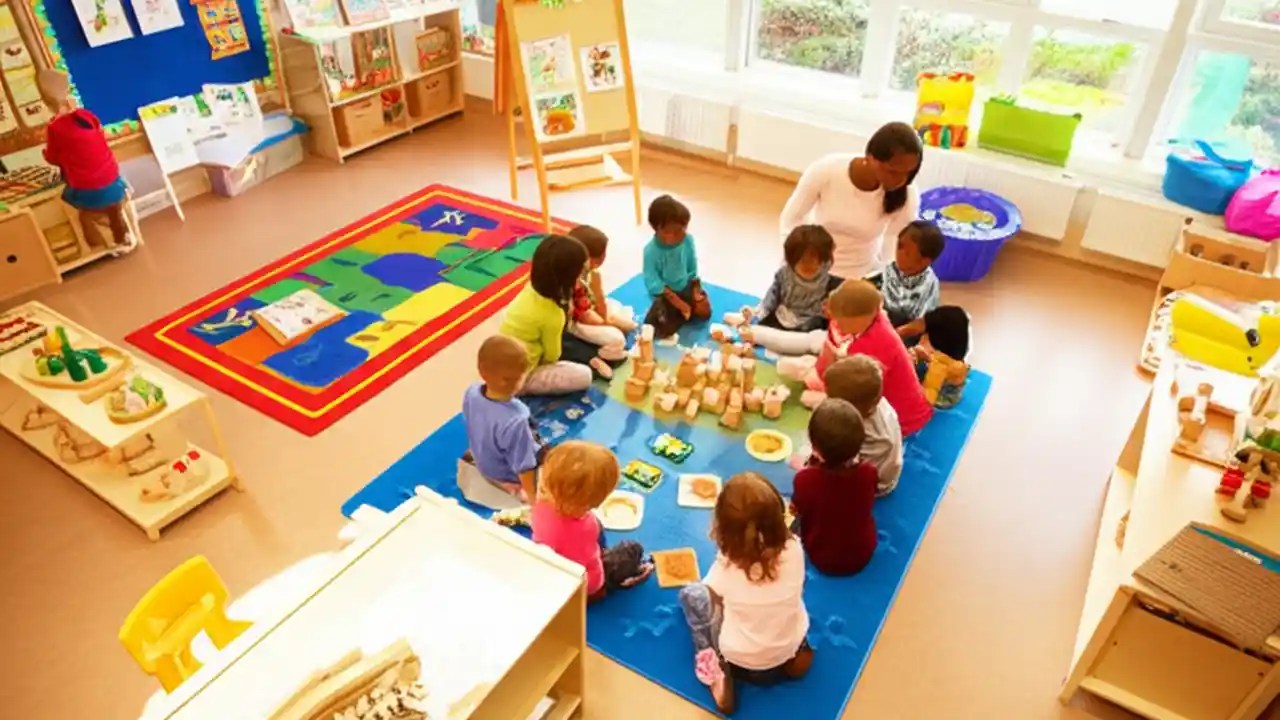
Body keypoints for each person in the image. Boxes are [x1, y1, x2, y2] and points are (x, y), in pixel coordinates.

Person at [678, 473, 813, 714]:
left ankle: (720, 673)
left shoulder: (726, 567)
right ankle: (794, 658)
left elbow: (713, 599)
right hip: (788, 645)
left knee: (691, 595)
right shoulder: (795, 548)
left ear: (723, 529)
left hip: (740, 658)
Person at [742, 279, 932, 435]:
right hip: (851, 380)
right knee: (792, 367)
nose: (838, 325)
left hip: (895, 415)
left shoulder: (879, 342)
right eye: (836, 320)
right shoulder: (847, 320)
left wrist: (825, 389)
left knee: (812, 402)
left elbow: (859, 394)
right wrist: (820, 372)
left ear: (868, 317)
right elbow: (829, 347)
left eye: (843, 323)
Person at [779, 122, 923, 280]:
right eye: (893, 171)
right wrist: (795, 261)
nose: (901, 180)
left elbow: (895, 242)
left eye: (908, 173)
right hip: (811, 266)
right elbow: (791, 219)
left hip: (860, 275)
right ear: (871, 157)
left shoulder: (907, 193)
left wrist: (888, 279)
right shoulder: (827, 170)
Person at [531, 440, 653, 601]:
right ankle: (623, 582)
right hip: (584, 589)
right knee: (633, 549)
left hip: (551, 567)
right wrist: (596, 587)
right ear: (594, 503)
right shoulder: (585, 528)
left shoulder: (541, 502)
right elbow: (587, 572)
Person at [37, 69, 133, 250]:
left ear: (46, 102)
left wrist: (46, 153)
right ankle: (116, 222)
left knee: (74, 204)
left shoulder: (55, 128)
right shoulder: (88, 117)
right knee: (108, 194)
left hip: (90, 190)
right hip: (114, 182)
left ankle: (97, 246)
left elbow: (53, 158)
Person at [499, 234, 599, 394]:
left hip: (502, 358)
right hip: (521, 377)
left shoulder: (532, 286)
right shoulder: (553, 315)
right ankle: (524, 387)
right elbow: (552, 357)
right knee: (584, 375)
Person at [791, 399, 879, 575]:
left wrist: (805, 469)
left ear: (814, 446)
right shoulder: (869, 472)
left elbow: (797, 509)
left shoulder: (805, 480)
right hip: (864, 551)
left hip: (823, 557)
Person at [460, 335, 543, 502]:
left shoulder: (472, 392)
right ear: (518, 381)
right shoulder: (516, 419)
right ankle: (514, 489)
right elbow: (524, 466)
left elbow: (473, 425)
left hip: (484, 465)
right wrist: (533, 497)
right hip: (508, 475)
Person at [824, 355, 904, 496]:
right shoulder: (875, 402)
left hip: (877, 486)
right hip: (885, 470)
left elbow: (840, 461)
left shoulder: (861, 431)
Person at [741, 224, 843, 332]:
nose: (809, 264)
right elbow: (771, 299)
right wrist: (758, 314)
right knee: (761, 326)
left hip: (811, 326)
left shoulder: (831, 283)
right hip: (783, 317)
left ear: (823, 259)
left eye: (814, 258)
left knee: (817, 329)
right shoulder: (784, 275)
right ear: (792, 258)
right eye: (803, 260)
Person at [564, 225, 637, 372]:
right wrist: (609, 323)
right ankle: (598, 355)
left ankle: (601, 344)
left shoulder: (586, 271)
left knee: (626, 318)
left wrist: (599, 298)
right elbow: (586, 316)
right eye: (603, 254)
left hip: (589, 310)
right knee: (617, 339)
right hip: (576, 323)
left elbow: (597, 303)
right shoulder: (573, 279)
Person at [643, 195, 711, 339]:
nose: (680, 235)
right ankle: (676, 314)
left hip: (685, 286)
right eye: (671, 232)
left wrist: (696, 293)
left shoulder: (687, 240)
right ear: (657, 229)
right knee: (655, 329)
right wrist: (679, 304)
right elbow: (653, 282)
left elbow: (692, 270)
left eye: (682, 229)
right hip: (666, 293)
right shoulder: (651, 251)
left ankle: (681, 314)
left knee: (705, 313)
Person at [883, 220, 944, 335]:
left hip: (905, 333)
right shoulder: (888, 270)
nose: (899, 254)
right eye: (899, 246)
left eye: (907, 253)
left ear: (924, 261)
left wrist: (895, 334)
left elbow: (921, 324)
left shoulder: (929, 284)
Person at [912, 305, 972, 409]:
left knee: (914, 371)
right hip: (956, 388)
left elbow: (928, 397)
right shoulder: (956, 351)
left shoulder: (939, 366)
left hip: (944, 398)